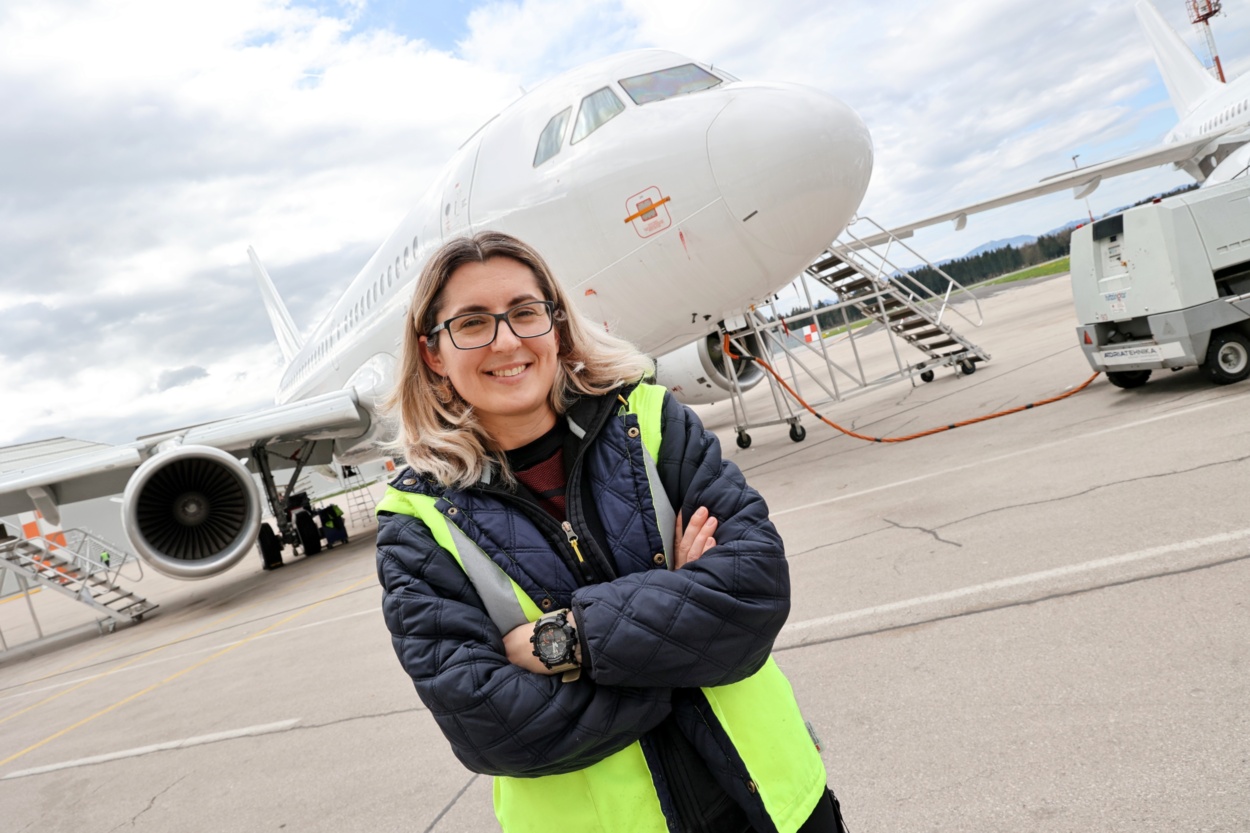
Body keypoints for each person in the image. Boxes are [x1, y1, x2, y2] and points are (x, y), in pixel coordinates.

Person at [376, 231, 846, 833]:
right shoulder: (417, 523)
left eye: (525, 313)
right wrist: (683, 637)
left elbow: (754, 592)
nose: (508, 340)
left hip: (778, 807)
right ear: (434, 352)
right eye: (472, 323)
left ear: (558, 326)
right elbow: (490, 724)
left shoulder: (650, 422)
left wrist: (566, 641)